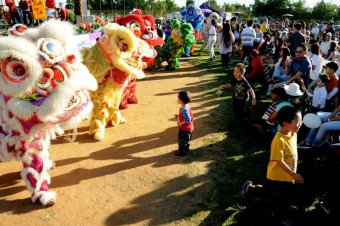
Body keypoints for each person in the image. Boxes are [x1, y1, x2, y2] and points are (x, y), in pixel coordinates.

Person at [239, 106, 304, 226]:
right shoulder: (278, 140)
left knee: (285, 197)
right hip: (276, 175)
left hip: (288, 177)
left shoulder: (293, 134)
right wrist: (293, 174)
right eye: (297, 122)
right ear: (285, 123)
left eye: (301, 121)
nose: (300, 124)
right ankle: (248, 189)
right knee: (266, 191)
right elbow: (279, 161)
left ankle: (280, 215)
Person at [175, 91, 194, 156]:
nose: (177, 100)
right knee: (184, 141)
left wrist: (181, 123)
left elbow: (188, 120)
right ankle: (186, 149)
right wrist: (179, 116)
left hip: (185, 130)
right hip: (186, 129)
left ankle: (181, 152)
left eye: (178, 98)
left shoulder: (184, 109)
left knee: (181, 141)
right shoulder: (186, 106)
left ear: (181, 100)